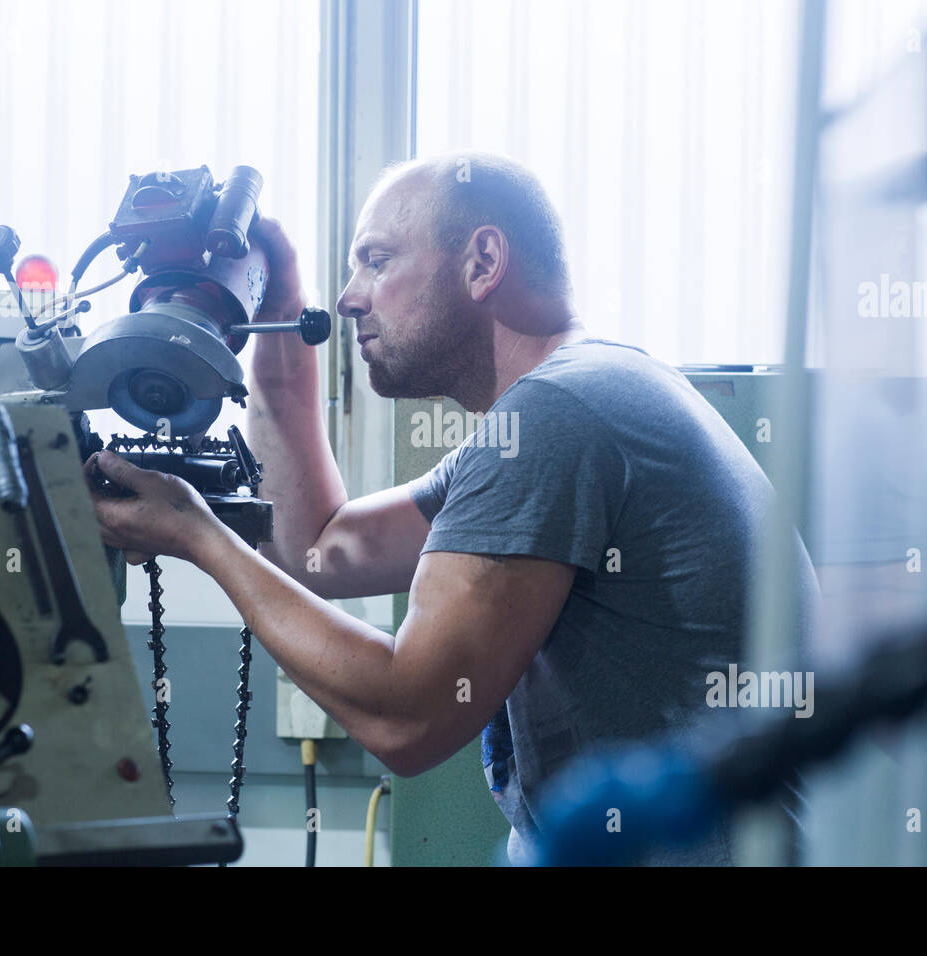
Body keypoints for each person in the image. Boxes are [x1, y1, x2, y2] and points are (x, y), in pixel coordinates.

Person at [87, 151, 817, 865]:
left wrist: (199, 536)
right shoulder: (582, 394)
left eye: (375, 259)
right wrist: (276, 316)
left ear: (482, 263)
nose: (347, 297)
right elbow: (317, 544)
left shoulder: (558, 415)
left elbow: (409, 718)